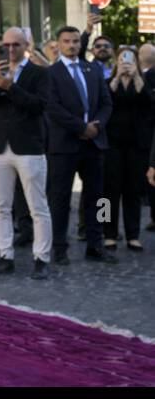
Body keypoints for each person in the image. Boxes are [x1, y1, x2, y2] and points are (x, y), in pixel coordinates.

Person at [0, 28, 52, 279]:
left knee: (37, 207)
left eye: (14, 45)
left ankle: (41, 257)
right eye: (3, 46)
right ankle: (4, 254)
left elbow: (39, 106)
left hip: (29, 147)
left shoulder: (39, 73)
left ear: (26, 45)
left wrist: (10, 87)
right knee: (0, 206)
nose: (8, 50)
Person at [45, 25, 115, 265]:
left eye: (76, 41)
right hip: (64, 146)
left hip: (94, 143)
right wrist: (80, 127)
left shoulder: (93, 68)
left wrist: (97, 126)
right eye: (67, 41)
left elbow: (107, 103)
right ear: (59, 44)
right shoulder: (51, 73)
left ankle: (96, 244)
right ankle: (59, 248)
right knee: (60, 199)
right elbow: (52, 108)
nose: (72, 45)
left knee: (98, 198)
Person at [104, 46, 150, 251]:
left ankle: (133, 234)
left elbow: (149, 106)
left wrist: (137, 79)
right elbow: (104, 101)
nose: (126, 63)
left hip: (135, 146)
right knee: (107, 193)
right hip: (111, 145)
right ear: (116, 61)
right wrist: (116, 79)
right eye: (122, 59)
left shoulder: (143, 83)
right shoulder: (108, 83)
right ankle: (107, 233)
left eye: (130, 59)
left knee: (133, 192)